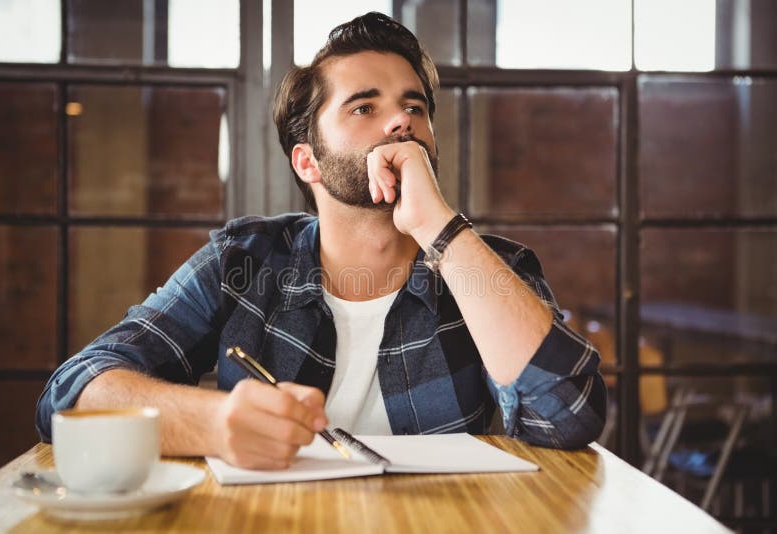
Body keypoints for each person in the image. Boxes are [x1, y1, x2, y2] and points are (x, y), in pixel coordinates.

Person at [36, 12, 606, 470]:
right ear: (307, 161)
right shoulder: (244, 259)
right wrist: (212, 423)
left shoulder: (493, 266)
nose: (400, 122)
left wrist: (439, 227)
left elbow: (570, 416)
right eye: (365, 107)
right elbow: (73, 392)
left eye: (414, 106)